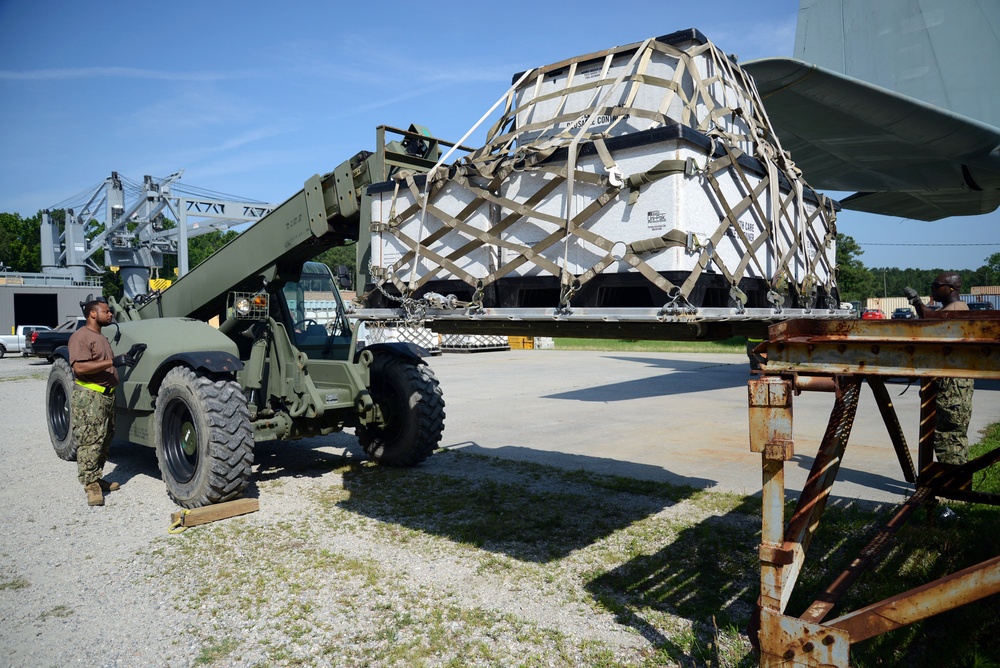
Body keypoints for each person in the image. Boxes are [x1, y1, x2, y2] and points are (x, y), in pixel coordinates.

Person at [68, 299, 145, 506]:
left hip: (106, 396)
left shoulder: (100, 336)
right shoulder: (81, 336)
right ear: (93, 314)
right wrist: (114, 361)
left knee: (104, 438)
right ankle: (91, 485)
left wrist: (127, 356)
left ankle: (97, 477)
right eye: (106, 311)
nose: (110, 314)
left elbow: (101, 363)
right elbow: (80, 368)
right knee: (90, 440)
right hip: (90, 397)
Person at [904, 272, 974, 466]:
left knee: (950, 435)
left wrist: (917, 302)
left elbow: (932, 318)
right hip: (950, 381)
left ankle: (954, 479)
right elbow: (931, 316)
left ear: (950, 289)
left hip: (953, 384)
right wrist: (918, 304)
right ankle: (952, 477)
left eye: (936, 286)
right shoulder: (949, 308)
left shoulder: (957, 309)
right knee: (947, 433)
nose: (933, 289)